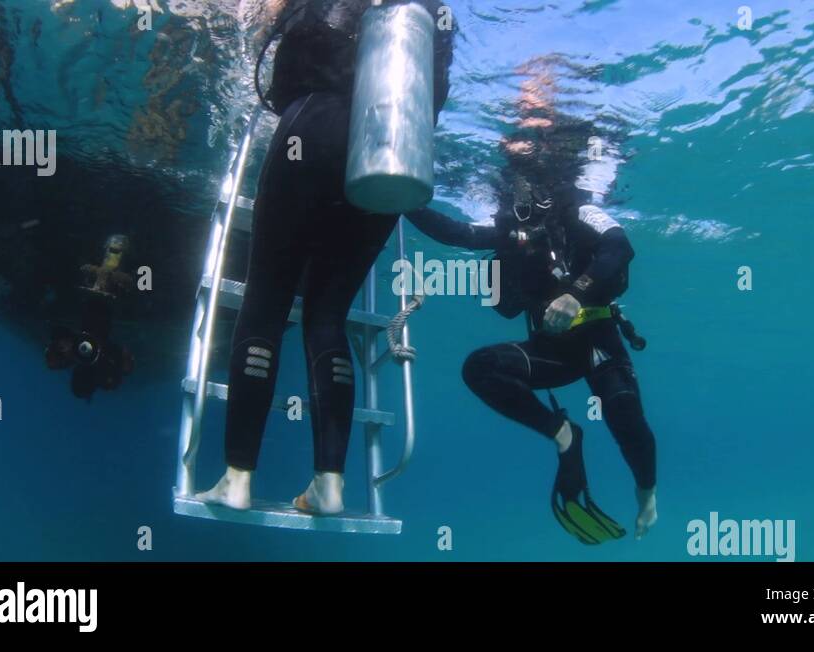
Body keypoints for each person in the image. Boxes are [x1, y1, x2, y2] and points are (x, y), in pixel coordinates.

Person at [197, 0, 455, 514]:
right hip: (391, 149)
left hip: (313, 124)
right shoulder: (432, 11)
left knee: (266, 300)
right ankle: (330, 485)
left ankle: (237, 479)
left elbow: (279, 54)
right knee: (328, 317)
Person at [406, 169, 658, 543]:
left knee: (624, 414)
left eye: (534, 187)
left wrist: (576, 293)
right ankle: (562, 433)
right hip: (551, 350)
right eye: (519, 190)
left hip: (597, 339)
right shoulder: (508, 230)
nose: (527, 198)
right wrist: (400, 199)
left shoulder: (581, 213)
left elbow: (619, 246)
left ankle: (647, 496)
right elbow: (455, 232)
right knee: (479, 369)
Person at [45, 234, 135, 401]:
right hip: (102, 308)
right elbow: (124, 358)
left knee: (99, 277)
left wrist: (64, 346)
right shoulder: (104, 361)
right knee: (111, 280)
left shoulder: (72, 353)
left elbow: (56, 336)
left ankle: (114, 256)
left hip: (98, 307)